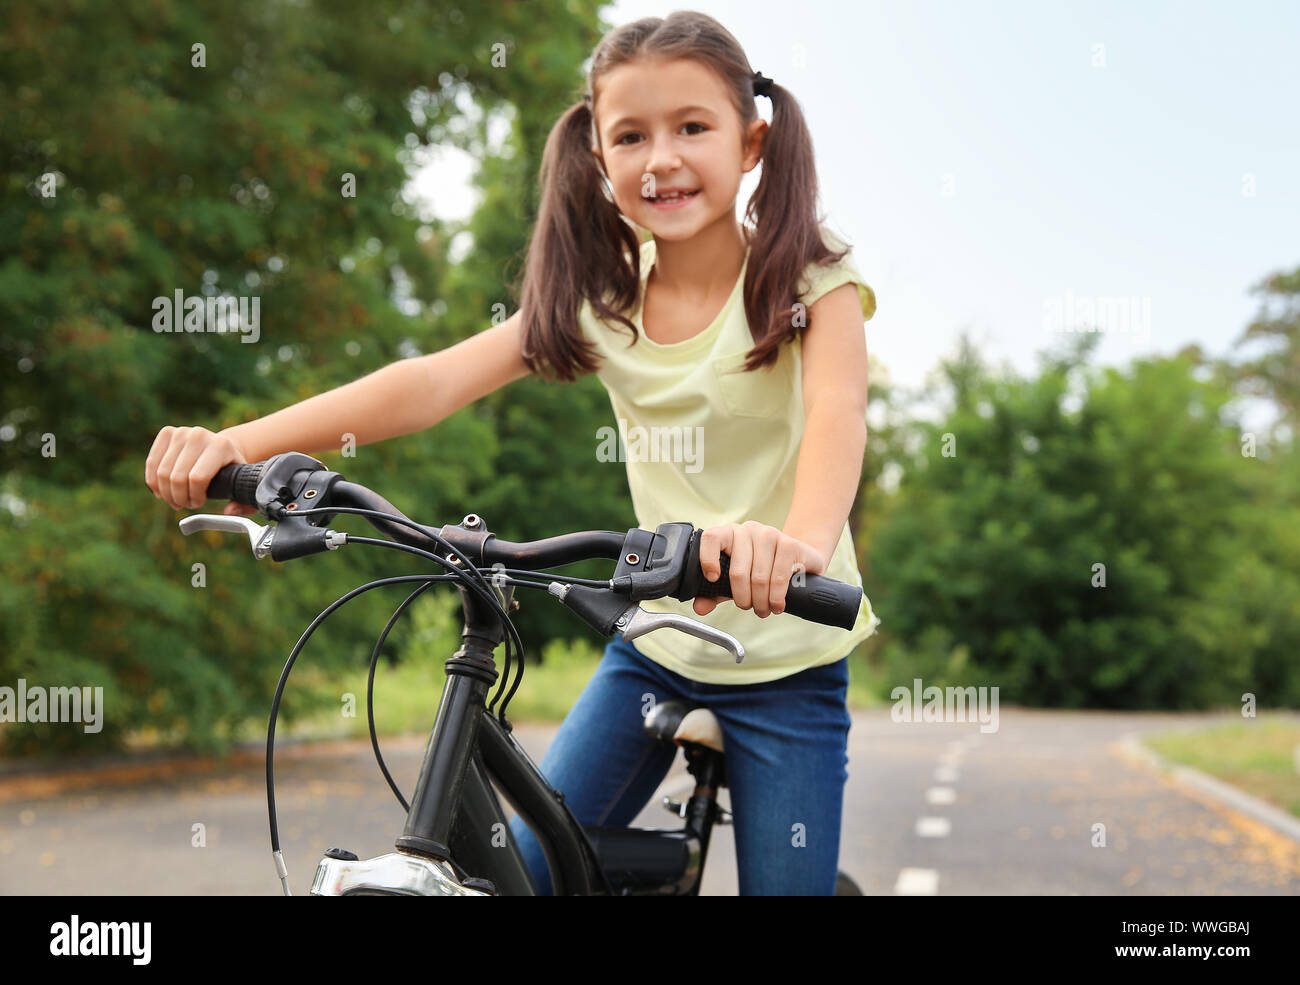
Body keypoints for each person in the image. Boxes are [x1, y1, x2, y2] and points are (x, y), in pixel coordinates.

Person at [145, 9, 879, 896]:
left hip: (788, 658)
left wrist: (793, 549)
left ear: (751, 140)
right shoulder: (603, 304)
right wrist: (240, 445)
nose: (663, 158)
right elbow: (428, 384)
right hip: (654, 638)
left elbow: (839, 419)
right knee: (528, 873)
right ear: (599, 160)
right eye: (631, 135)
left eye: (693, 126)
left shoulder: (811, 282)